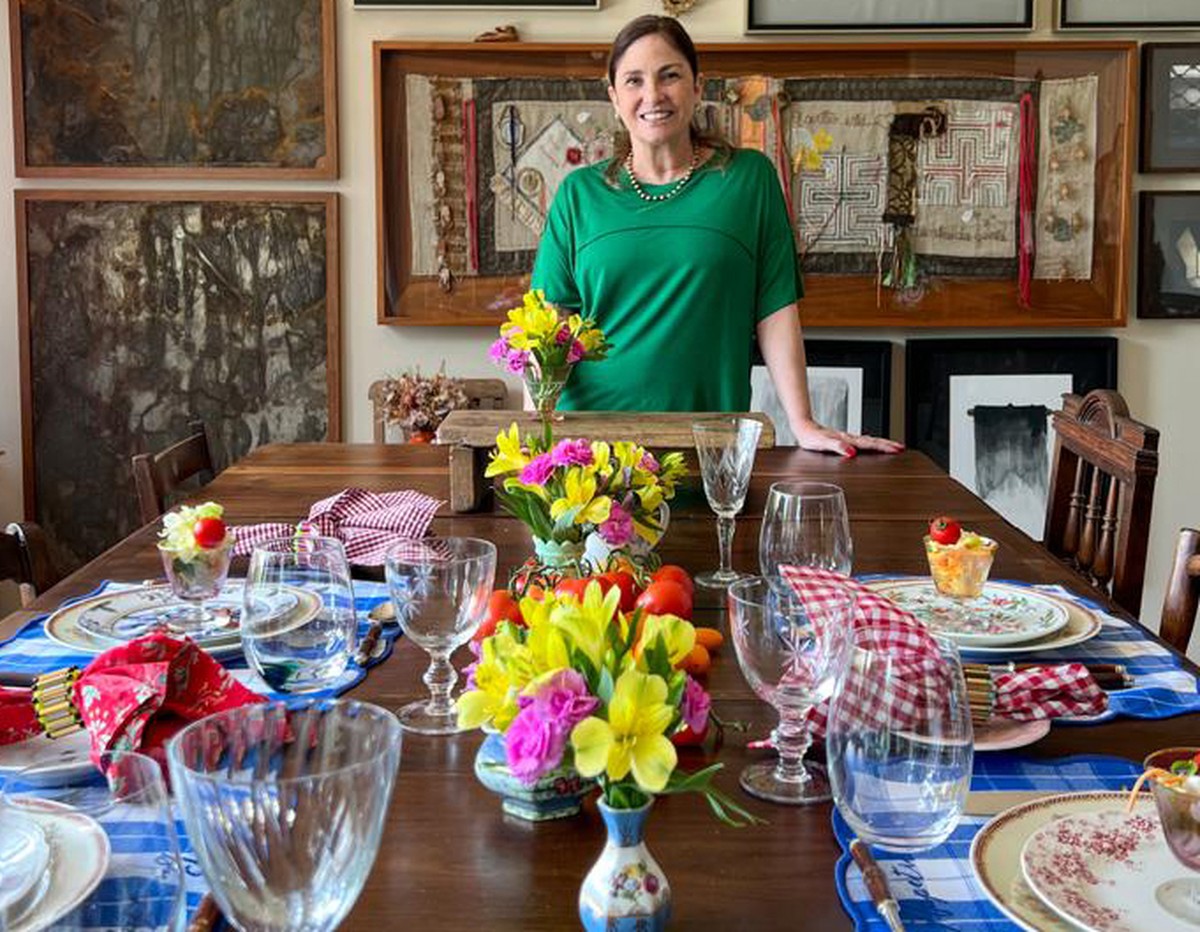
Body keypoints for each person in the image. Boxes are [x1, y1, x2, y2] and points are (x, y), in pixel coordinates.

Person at [530, 14, 902, 457]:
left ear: (697, 86)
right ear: (613, 96)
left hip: (711, 444)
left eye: (670, 75)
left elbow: (776, 308)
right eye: (634, 81)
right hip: (592, 451)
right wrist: (541, 442)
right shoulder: (579, 194)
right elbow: (544, 330)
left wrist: (802, 422)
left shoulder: (749, 179)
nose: (653, 95)